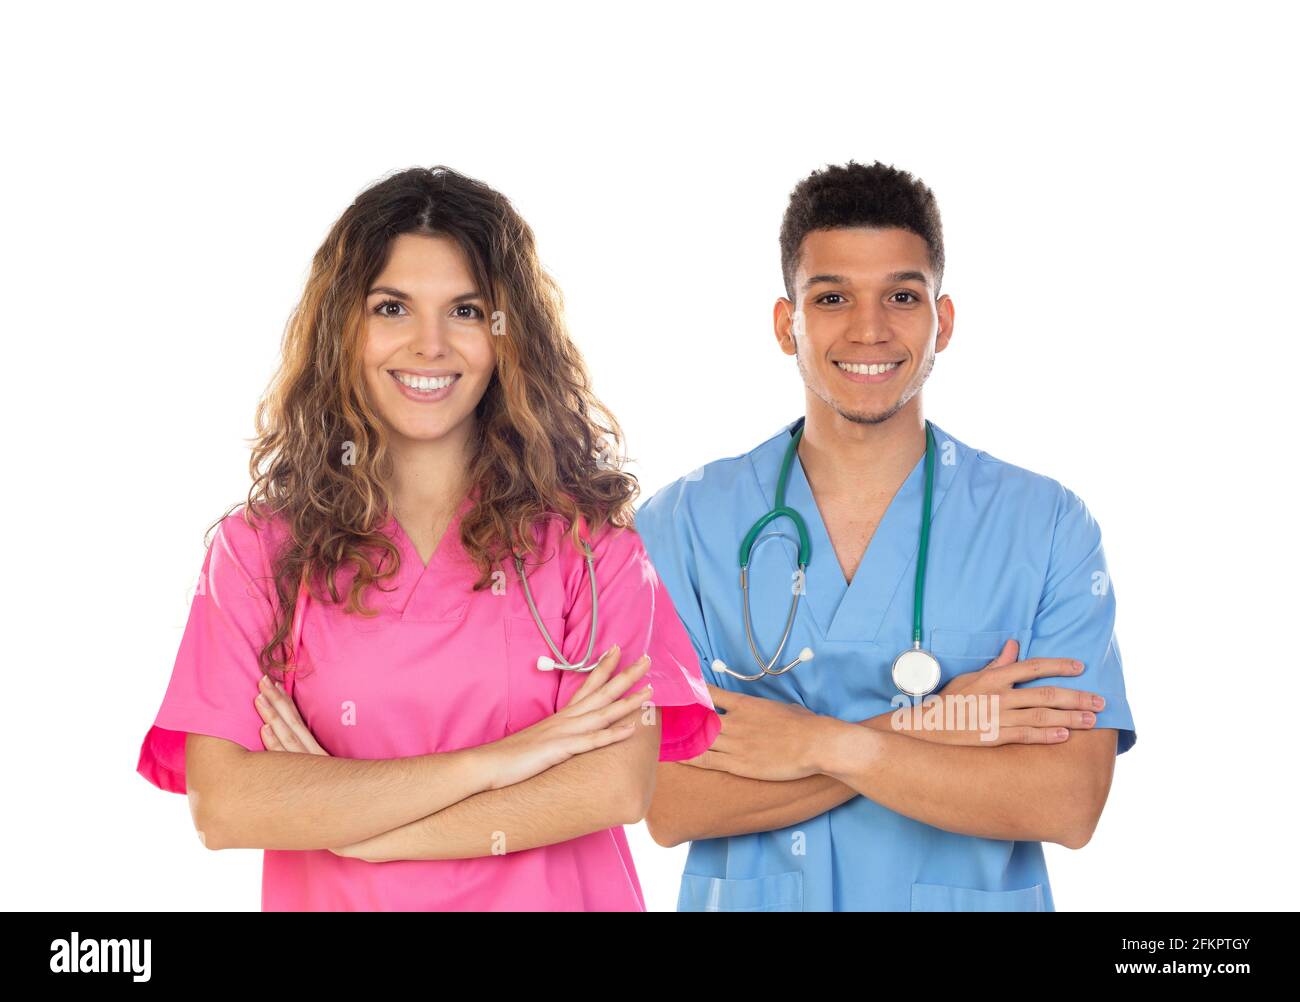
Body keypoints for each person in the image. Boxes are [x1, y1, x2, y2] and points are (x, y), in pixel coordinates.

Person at [136, 165, 720, 911]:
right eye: (392, 308)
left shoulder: (588, 544)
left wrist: (349, 825)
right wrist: (505, 761)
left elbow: (612, 786)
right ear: (343, 327)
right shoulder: (257, 555)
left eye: (467, 311)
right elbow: (227, 808)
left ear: (509, 336)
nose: (429, 345)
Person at [634, 160, 1136, 912]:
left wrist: (813, 742)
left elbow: (1067, 802)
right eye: (831, 297)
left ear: (946, 321)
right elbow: (666, 800)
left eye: (903, 296)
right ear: (786, 324)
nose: (870, 329)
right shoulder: (684, 524)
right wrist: (939, 724)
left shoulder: (1046, 525)